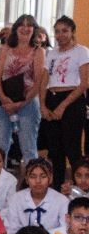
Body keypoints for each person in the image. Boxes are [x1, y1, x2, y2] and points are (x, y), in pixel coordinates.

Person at [0, 14, 46, 167]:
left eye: (29, 25)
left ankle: (32, 187)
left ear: (34, 30)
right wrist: (4, 99)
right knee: (0, 148)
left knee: (28, 148)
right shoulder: (6, 49)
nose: (25, 28)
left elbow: (38, 82)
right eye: (22, 24)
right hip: (3, 103)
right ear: (16, 29)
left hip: (27, 104)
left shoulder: (38, 51)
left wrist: (21, 103)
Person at [42, 16, 89, 188]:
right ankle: (58, 189)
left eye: (64, 31)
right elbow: (44, 80)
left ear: (72, 32)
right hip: (51, 98)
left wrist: (63, 106)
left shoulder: (81, 51)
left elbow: (84, 83)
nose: (60, 35)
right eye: (57, 31)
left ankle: (81, 188)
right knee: (55, 150)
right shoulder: (52, 53)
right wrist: (42, 105)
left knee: (72, 148)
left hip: (72, 100)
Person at [2, 158, 67, 234]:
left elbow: (65, 230)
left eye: (43, 176)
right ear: (26, 179)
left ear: (50, 178)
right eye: (33, 176)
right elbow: (11, 230)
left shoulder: (62, 201)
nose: (38, 181)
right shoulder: (16, 199)